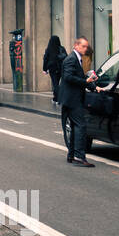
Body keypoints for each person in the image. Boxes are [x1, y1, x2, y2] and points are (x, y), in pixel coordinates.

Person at [58, 36, 98, 167]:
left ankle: (72, 155)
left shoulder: (77, 59)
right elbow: (68, 77)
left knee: (75, 126)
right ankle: (79, 156)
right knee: (81, 126)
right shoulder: (71, 59)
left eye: (87, 46)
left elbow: (78, 78)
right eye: (83, 46)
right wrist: (86, 81)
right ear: (76, 46)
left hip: (71, 98)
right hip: (72, 99)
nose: (86, 49)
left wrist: (94, 86)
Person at [42, 35, 65, 105]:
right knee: (59, 84)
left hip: (52, 69)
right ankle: (56, 98)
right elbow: (66, 57)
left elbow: (45, 59)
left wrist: (44, 69)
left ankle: (57, 99)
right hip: (61, 68)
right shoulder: (62, 48)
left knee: (55, 84)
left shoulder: (48, 49)